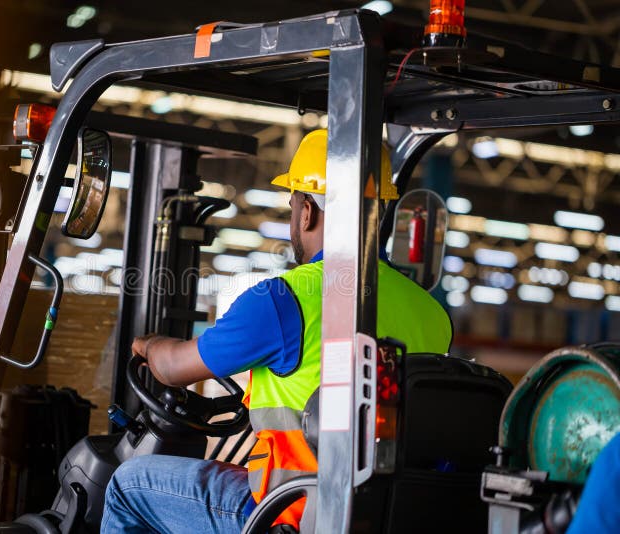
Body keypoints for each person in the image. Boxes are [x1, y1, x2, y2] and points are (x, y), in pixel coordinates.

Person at [100, 129, 453, 533]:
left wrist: (149, 345)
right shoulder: (432, 312)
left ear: (307, 211)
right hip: (380, 516)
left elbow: (173, 367)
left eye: (293, 206)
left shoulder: (284, 299)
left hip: (292, 514)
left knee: (128, 484)